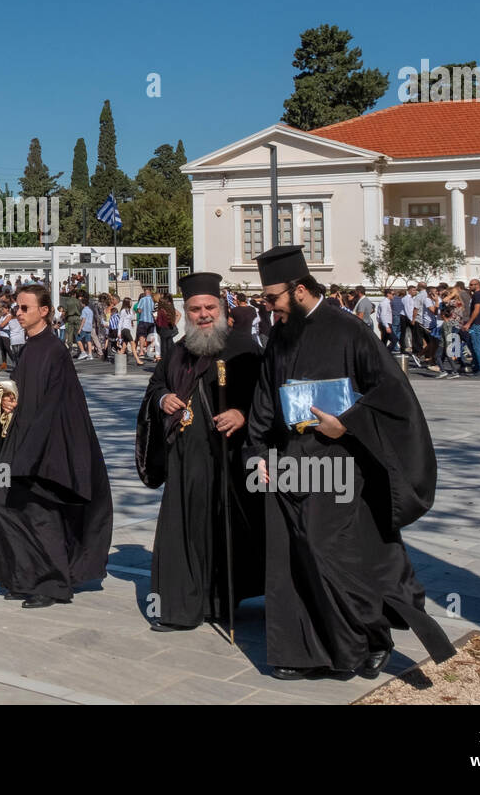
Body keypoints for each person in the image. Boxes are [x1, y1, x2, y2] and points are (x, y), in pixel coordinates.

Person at [246, 244, 455, 680]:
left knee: (331, 553)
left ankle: (363, 641)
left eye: (272, 298)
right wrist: (256, 454)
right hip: (287, 462)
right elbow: (264, 401)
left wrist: (348, 424)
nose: (267, 307)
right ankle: (304, 652)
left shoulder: (350, 331)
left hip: (340, 464)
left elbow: (393, 396)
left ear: (299, 290)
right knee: (291, 558)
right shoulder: (280, 335)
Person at [138, 272, 264, 633]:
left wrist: (242, 413)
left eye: (210, 307)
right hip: (185, 461)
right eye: (195, 309)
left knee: (228, 530)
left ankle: (222, 600)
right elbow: (155, 386)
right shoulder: (177, 352)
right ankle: (182, 606)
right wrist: (163, 398)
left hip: (228, 460)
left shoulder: (244, 349)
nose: (203, 314)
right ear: (185, 312)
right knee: (185, 531)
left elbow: (267, 396)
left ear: (221, 309)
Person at [0, 285, 113, 608]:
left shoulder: (54, 351)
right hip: (19, 442)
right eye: (17, 308)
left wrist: (34, 450)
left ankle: (51, 584)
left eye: (24, 308)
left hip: (43, 449)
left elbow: (59, 405)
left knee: (39, 514)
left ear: (44, 311)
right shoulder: (29, 348)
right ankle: (23, 576)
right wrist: (7, 402)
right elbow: (23, 394)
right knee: (0, 505)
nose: (17, 313)